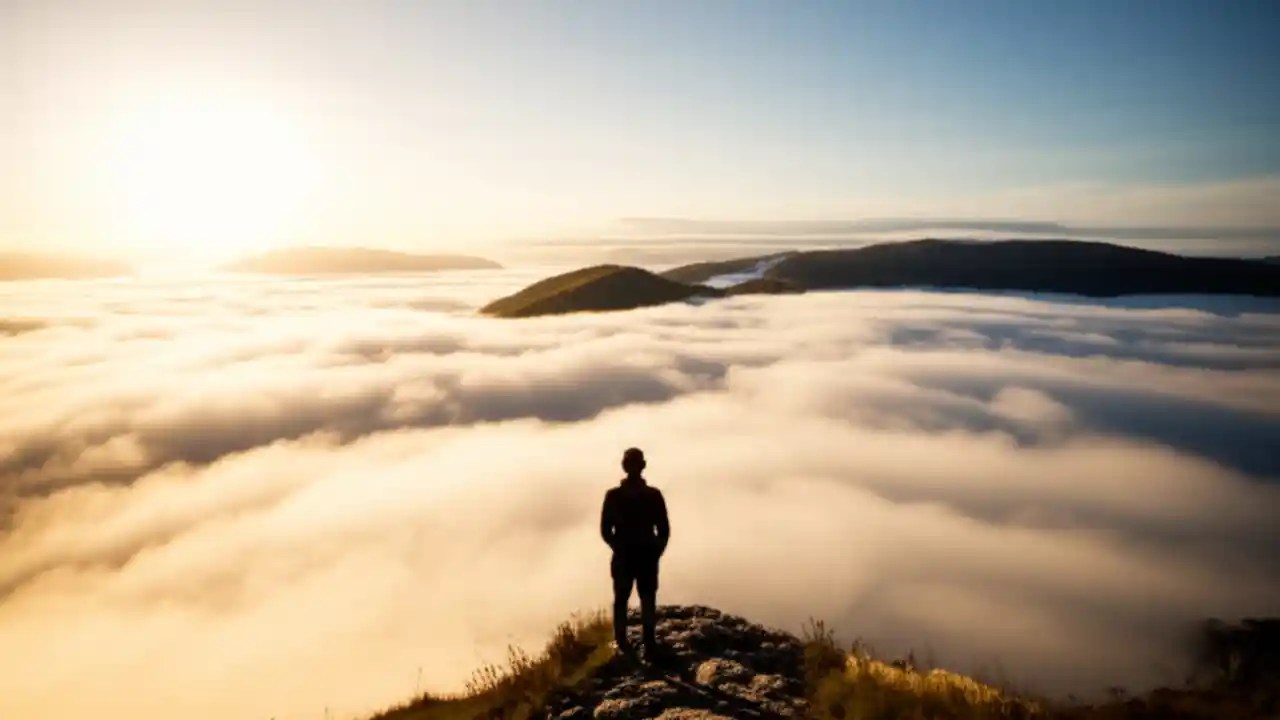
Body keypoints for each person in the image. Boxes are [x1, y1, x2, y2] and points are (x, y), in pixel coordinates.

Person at [600, 447, 669, 659]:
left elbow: (605, 530)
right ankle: (648, 643)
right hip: (644, 554)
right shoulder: (653, 495)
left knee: (623, 598)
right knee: (645, 598)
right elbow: (664, 530)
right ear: (643, 466)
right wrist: (656, 550)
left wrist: (618, 546)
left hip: (627, 555)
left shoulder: (614, 496)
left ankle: (623, 642)